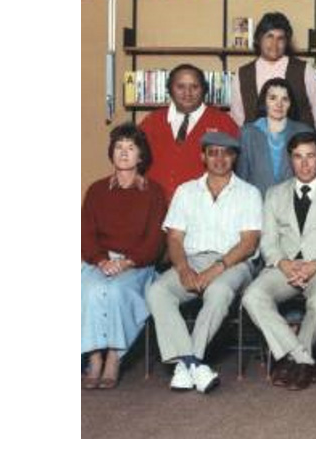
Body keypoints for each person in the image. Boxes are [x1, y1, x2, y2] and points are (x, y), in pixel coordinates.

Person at [145, 131, 262, 394]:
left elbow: (248, 244)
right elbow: (174, 239)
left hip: (233, 263)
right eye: (213, 152)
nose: (219, 158)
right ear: (203, 156)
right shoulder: (186, 191)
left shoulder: (249, 193)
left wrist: (216, 269)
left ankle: (187, 363)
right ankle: (193, 364)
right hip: (192, 260)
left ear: (234, 157)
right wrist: (183, 268)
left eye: (226, 153)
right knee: (157, 291)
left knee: (219, 291)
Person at [242, 132, 316, 391]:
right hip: (285, 267)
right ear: (290, 160)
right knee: (252, 296)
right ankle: (302, 359)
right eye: (298, 157)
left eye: (311, 156)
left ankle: (290, 361)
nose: (305, 164)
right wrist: (282, 263)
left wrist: (315, 264)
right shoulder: (274, 194)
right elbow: (268, 241)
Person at [81, 123, 167, 390]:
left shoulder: (153, 193)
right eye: (119, 147)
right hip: (100, 261)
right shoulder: (96, 190)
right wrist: (101, 260)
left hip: (137, 263)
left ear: (141, 156)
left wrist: (126, 262)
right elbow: (85, 234)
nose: (124, 153)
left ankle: (114, 359)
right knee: (90, 288)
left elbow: (155, 241)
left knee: (117, 291)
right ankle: (94, 356)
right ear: (111, 153)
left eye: (131, 148)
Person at [139, 64, 239, 200]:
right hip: (155, 205)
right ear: (170, 90)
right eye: (180, 87)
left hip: (203, 207)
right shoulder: (151, 121)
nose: (188, 93)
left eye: (194, 87)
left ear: (204, 89)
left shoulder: (224, 123)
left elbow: (237, 170)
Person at [229, 12, 316, 131]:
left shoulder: (304, 70)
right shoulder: (243, 74)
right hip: (257, 144)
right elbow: (238, 118)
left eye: (280, 38)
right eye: (269, 36)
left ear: (286, 42)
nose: (274, 44)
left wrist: (303, 139)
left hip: (297, 145)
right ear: (259, 39)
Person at [235, 77, 315, 195]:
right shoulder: (247, 133)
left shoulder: (304, 131)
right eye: (273, 98)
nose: (279, 104)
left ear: (290, 104)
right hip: (257, 204)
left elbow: (312, 177)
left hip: (294, 204)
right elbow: (241, 178)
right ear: (264, 101)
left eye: (285, 99)